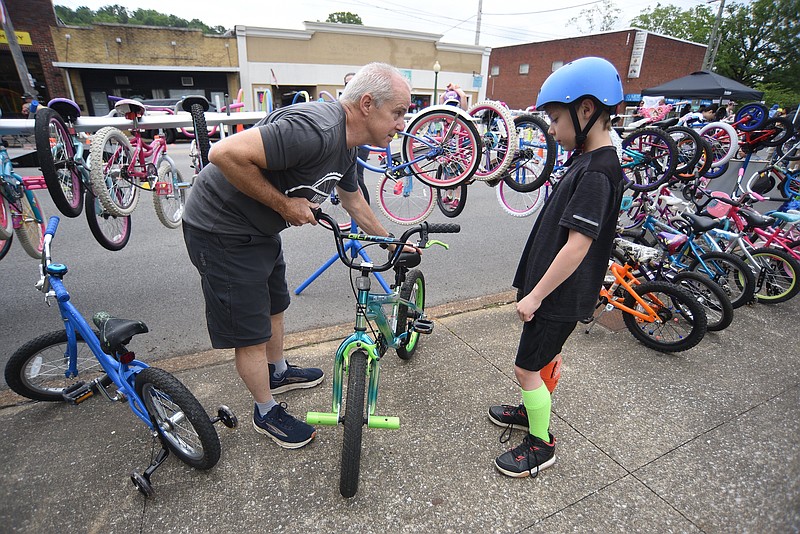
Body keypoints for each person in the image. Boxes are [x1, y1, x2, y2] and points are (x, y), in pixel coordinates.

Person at [182, 62, 411, 450]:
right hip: (221, 230)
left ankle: (278, 371)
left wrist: (392, 241)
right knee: (249, 331)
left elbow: (353, 200)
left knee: (275, 305)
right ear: (368, 104)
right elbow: (222, 153)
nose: (402, 124)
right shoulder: (314, 129)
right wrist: (284, 204)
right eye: (399, 112)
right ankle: (265, 410)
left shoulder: (346, 147)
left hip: (258, 229)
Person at [488, 57, 624, 478]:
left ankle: (541, 443)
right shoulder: (587, 160)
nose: (550, 128)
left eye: (554, 117)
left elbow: (577, 247)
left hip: (558, 294)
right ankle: (532, 411)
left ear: (586, 111)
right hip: (556, 291)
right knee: (541, 358)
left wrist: (536, 295)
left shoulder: (597, 172)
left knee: (526, 367)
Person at [344, 71, 371, 204]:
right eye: (347, 83)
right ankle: (357, 201)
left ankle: (364, 202)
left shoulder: (364, 102)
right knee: (349, 175)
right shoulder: (344, 102)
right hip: (349, 142)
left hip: (362, 142)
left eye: (352, 82)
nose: (349, 85)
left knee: (357, 174)